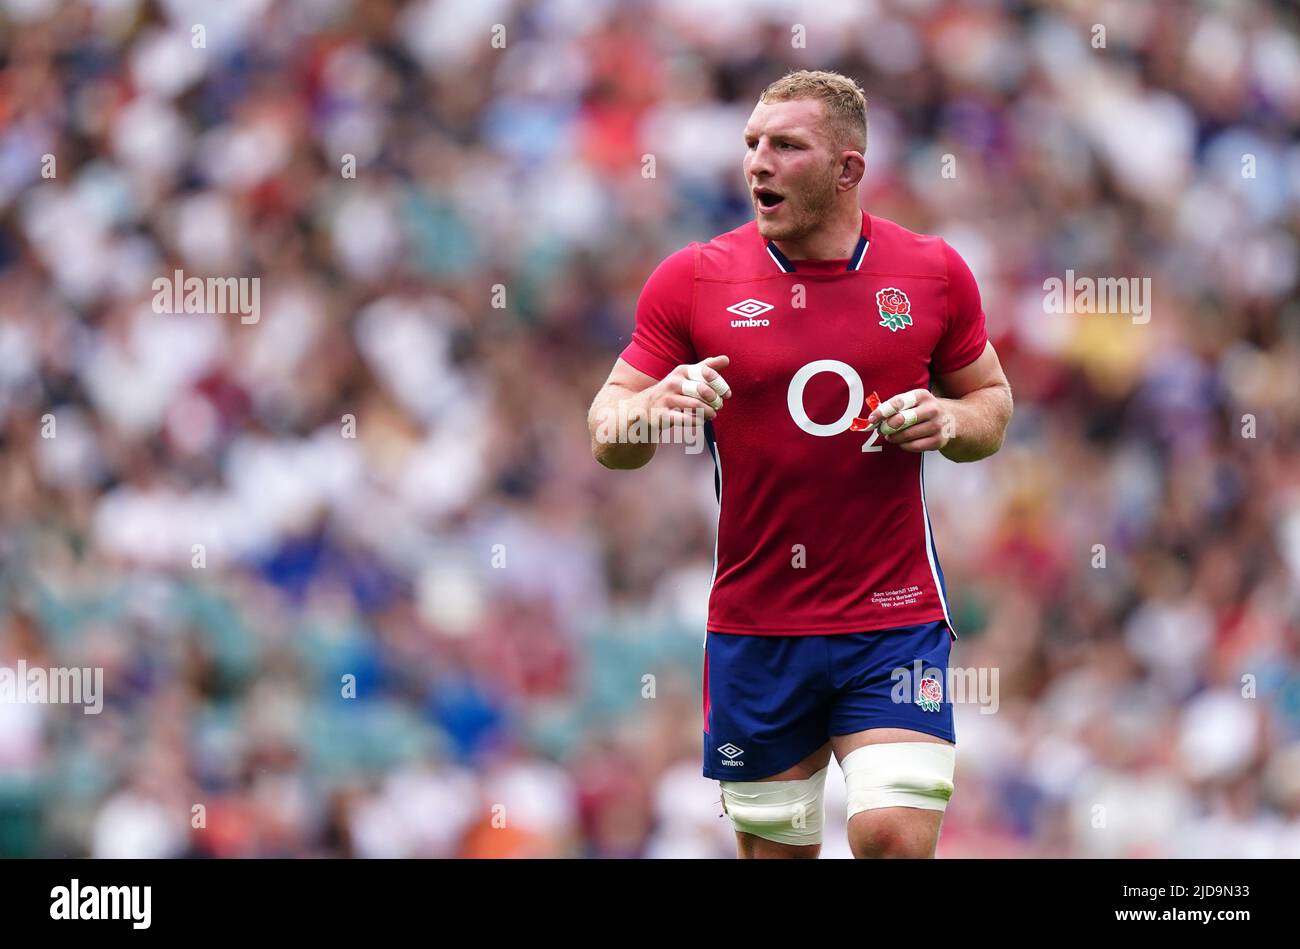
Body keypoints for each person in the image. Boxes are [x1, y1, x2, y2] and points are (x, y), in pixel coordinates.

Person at [587, 70, 1013, 859]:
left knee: (892, 834)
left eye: (786, 146)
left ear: (848, 169)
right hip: (758, 626)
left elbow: (991, 403)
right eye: (752, 144)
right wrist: (653, 407)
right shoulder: (693, 280)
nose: (758, 163)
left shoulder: (932, 273)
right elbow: (608, 431)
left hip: (891, 612)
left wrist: (948, 419)